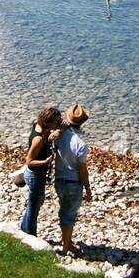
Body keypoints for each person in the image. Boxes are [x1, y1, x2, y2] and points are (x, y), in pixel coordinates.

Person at [51, 104, 92, 255]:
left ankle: (66, 241)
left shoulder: (59, 135)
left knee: (63, 211)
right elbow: (83, 171)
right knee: (69, 216)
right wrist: (87, 189)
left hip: (59, 180)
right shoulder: (80, 144)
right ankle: (66, 247)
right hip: (73, 183)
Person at [20, 107, 62, 237]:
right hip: (35, 175)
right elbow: (29, 161)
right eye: (56, 122)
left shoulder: (37, 126)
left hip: (33, 174)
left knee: (36, 203)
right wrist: (46, 162)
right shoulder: (37, 139)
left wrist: (50, 137)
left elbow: (45, 139)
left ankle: (23, 229)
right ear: (48, 123)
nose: (58, 124)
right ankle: (30, 236)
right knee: (34, 208)